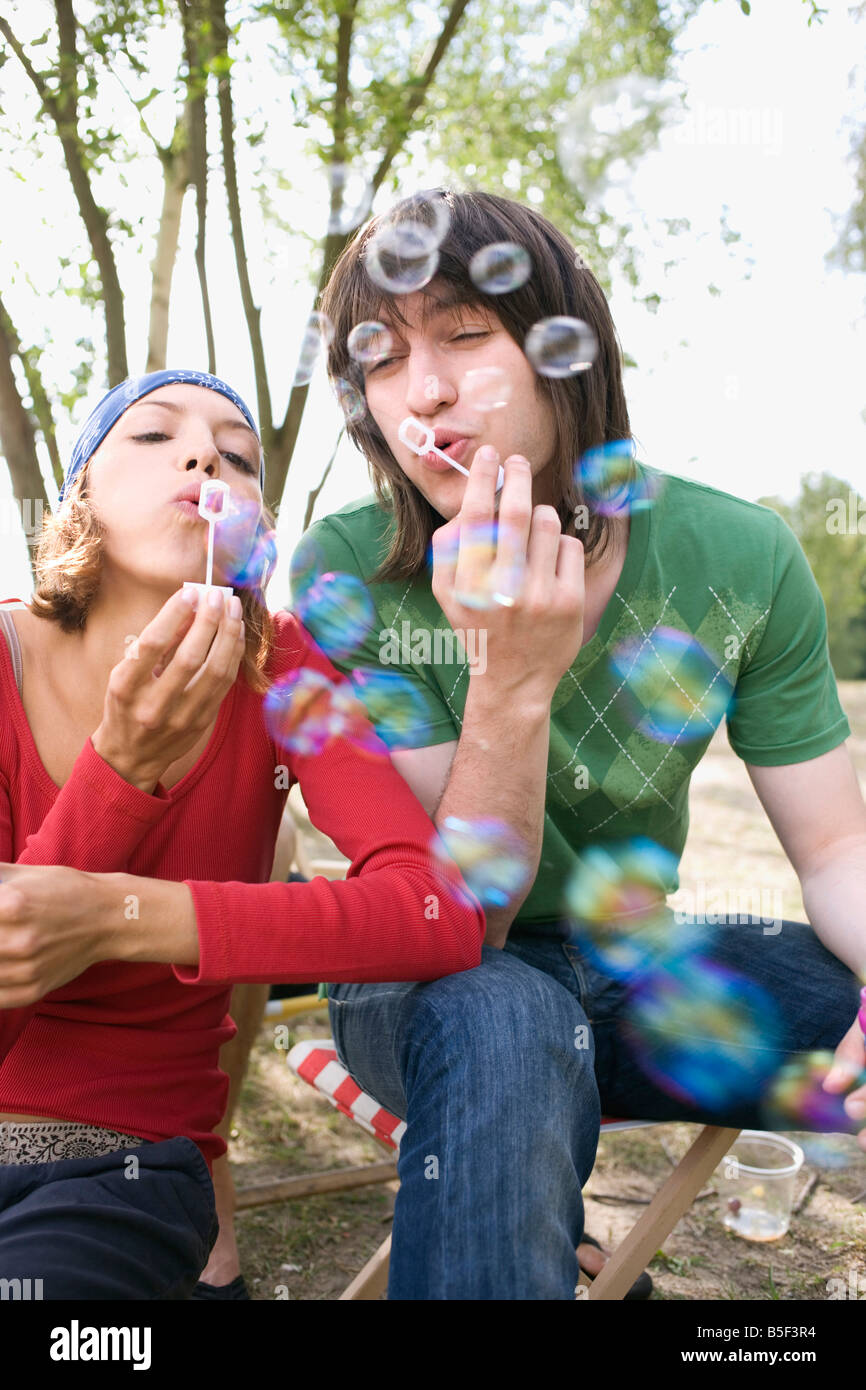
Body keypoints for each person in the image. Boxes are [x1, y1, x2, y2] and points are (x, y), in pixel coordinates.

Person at [278, 188, 863, 1300]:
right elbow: (463, 919)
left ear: (566, 357)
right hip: (420, 975)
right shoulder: (345, 571)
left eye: (462, 333)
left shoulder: (740, 556)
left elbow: (834, 850)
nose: (428, 389)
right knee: (505, 1015)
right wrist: (507, 679)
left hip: (633, 964)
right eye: (386, 359)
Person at [0, 368, 484, 1300]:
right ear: (80, 497)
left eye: (238, 454)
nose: (204, 454)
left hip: (113, 1167)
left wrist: (115, 914)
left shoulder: (282, 668)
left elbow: (437, 913)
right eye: (153, 436)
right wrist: (125, 766)